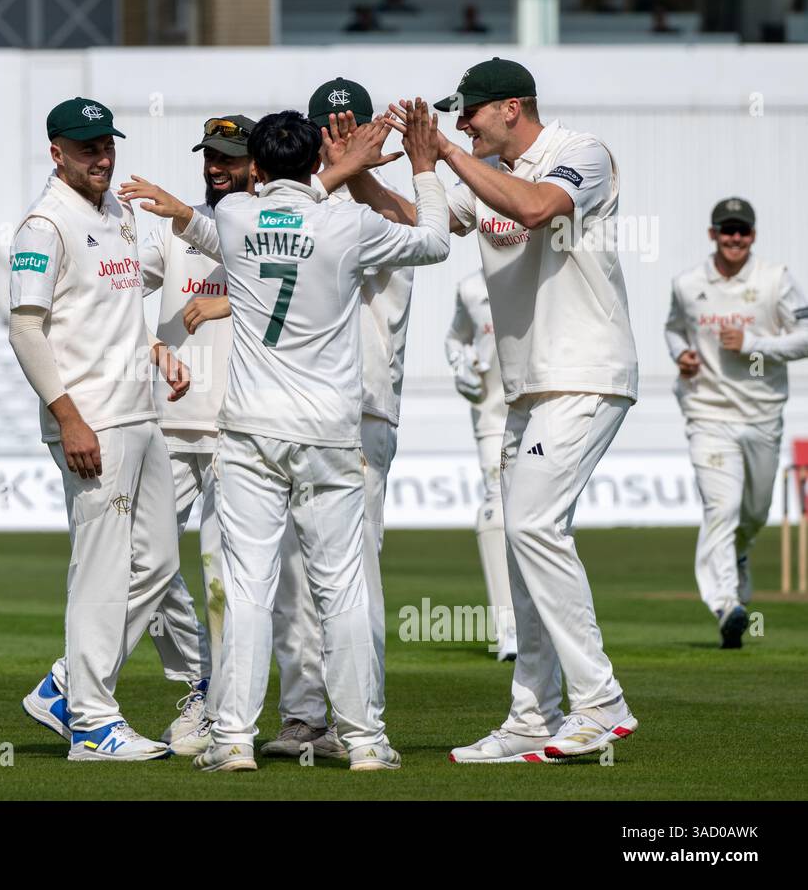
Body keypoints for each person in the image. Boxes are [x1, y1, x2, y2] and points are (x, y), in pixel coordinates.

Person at [122, 102, 450, 772]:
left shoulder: (239, 217)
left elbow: (213, 223)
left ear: (257, 169)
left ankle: (233, 740)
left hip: (249, 432)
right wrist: (422, 168)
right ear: (313, 163)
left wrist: (182, 206)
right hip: (330, 431)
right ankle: (364, 743)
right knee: (343, 588)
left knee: (247, 585)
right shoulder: (350, 222)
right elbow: (436, 242)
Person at [386, 57, 639, 762]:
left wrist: (449, 155)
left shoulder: (580, 154)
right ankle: (532, 715)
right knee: (520, 539)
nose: (460, 122)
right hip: (528, 386)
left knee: (529, 522)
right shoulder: (482, 167)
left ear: (510, 108)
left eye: (468, 111)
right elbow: (422, 226)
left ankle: (601, 702)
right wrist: (372, 173)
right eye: (455, 116)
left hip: (588, 369)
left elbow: (533, 208)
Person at [12, 97, 191, 762]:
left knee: (161, 564)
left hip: (140, 410)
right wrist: (68, 416)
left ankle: (67, 686)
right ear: (56, 151)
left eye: (107, 145)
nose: (103, 158)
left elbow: (114, 316)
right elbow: (25, 328)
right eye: (87, 148)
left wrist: (155, 354)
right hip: (93, 422)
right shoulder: (43, 225)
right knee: (102, 571)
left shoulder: (118, 211)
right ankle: (90, 722)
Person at [258, 77, 420, 761]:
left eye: (349, 128)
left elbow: (420, 229)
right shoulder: (299, 207)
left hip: (359, 411)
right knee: (291, 576)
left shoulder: (374, 211)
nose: (337, 139)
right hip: (291, 410)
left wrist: (355, 174)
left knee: (351, 576)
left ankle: (362, 724)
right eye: (328, 128)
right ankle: (303, 716)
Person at [132, 115, 257, 756]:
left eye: (229, 157)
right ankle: (195, 681)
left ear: (256, 163)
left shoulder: (268, 229)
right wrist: (155, 346)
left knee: (220, 573)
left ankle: (219, 704)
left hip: (240, 426)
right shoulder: (174, 232)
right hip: (170, 422)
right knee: (144, 562)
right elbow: (115, 295)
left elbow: (292, 292)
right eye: (210, 155)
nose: (216, 166)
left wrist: (225, 302)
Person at [665, 197, 808, 647]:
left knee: (753, 513)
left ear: (753, 235)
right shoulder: (688, 284)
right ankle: (726, 604)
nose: (734, 238)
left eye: (742, 230)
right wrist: (680, 355)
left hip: (762, 414)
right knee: (720, 509)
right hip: (708, 412)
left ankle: (740, 555)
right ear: (713, 234)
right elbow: (673, 328)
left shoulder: (774, 279)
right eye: (726, 230)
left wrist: (753, 343)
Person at [445, 269, 517, 661]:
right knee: (497, 506)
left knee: (535, 517)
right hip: (492, 418)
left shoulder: (546, 273)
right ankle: (509, 631)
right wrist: (461, 367)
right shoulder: (471, 287)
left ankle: (542, 625)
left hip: (540, 413)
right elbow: (456, 339)